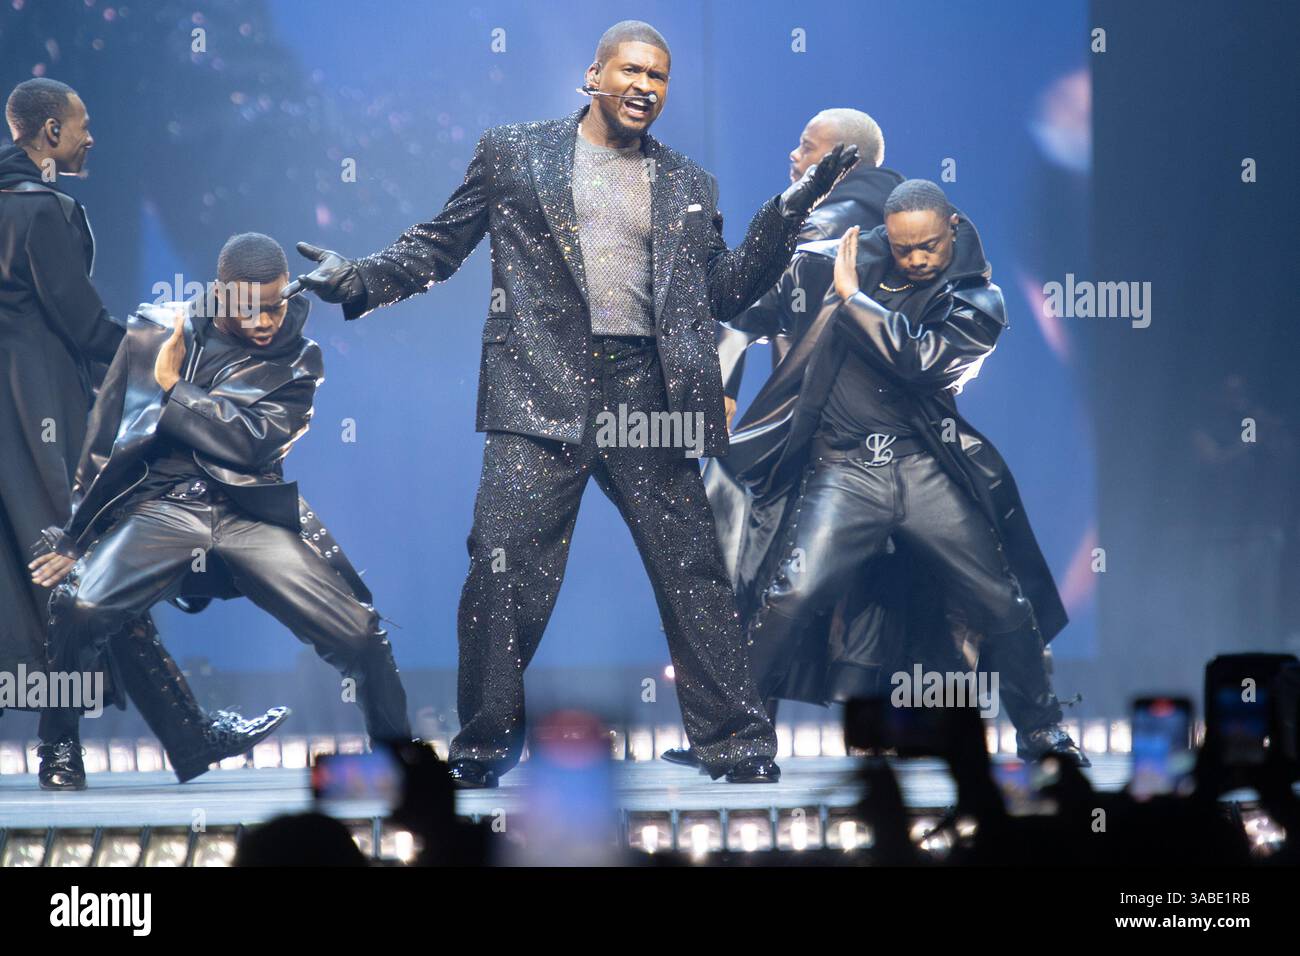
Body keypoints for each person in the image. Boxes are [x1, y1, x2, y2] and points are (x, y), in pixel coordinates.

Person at [286, 20, 858, 787]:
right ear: (593, 76)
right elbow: (439, 244)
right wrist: (358, 279)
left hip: (648, 395)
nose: (645, 87)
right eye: (631, 71)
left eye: (658, 77)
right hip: (540, 387)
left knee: (693, 574)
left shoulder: (688, 183)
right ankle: (485, 746)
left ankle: (738, 745)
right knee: (498, 570)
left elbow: (725, 291)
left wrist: (789, 209)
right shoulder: (515, 152)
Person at [705, 179, 1087, 765]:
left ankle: (1041, 731)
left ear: (952, 228)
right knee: (789, 594)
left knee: (1000, 601)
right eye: (905, 247)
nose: (917, 259)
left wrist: (854, 300)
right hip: (844, 468)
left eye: (929, 246)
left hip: (921, 468)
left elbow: (922, 360)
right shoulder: (838, 265)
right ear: (887, 234)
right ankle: (738, 738)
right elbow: (739, 310)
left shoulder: (977, 301)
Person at [30, 233, 411, 789]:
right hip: (164, 506)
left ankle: (398, 758)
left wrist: (173, 389)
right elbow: (105, 437)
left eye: (276, 305)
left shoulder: (300, 360)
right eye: (249, 308)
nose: (265, 322)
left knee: (359, 632)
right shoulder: (154, 330)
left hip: (247, 509)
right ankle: (59, 747)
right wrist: (77, 532)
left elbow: (250, 444)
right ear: (220, 294)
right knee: (81, 605)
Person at [1, 79, 283, 790]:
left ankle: (160, 738)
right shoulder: (41, 210)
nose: (91, 136)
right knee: (89, 570)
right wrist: (170, 339)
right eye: (82, 124)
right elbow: (85, 327)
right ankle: (95, 746)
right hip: (42, 419)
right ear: (48, 134)